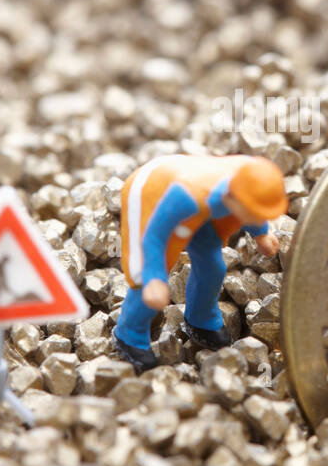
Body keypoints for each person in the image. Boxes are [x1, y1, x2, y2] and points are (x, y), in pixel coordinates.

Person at [113, 154, 288, 371]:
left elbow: (251, 209)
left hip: (205, 211)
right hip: (153, 193)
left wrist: (261, 233)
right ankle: (129, 332)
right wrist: (153, 278)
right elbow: (154, 237)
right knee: (146, 277)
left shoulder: (244, 184)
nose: (258, 216)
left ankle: (200, 318)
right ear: (235, 198)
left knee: (213, 267)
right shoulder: (186, 196)